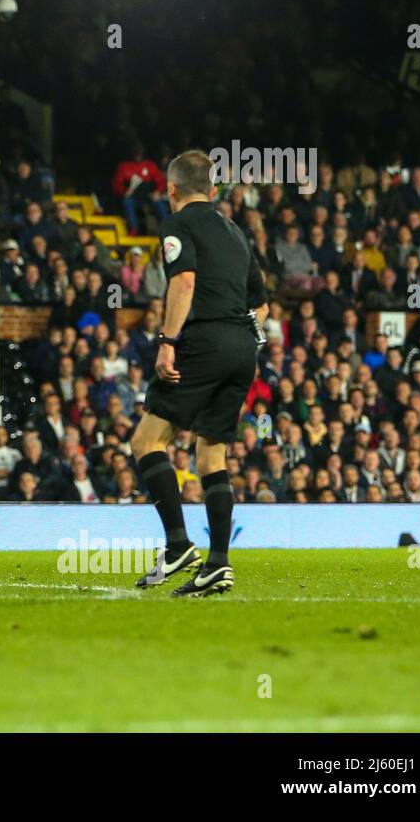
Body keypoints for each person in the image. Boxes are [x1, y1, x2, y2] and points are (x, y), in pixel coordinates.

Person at [131, 149, 267, 597]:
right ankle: (218, 565)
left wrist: (168, 342)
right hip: (243, 347)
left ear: (171, 190)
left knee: (147, 441)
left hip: (203, 342)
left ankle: (177, 545)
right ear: (213, 191)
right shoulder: (236, 233)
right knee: (212, 455)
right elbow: (261, 305)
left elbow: (183, 282)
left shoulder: (178, 224)